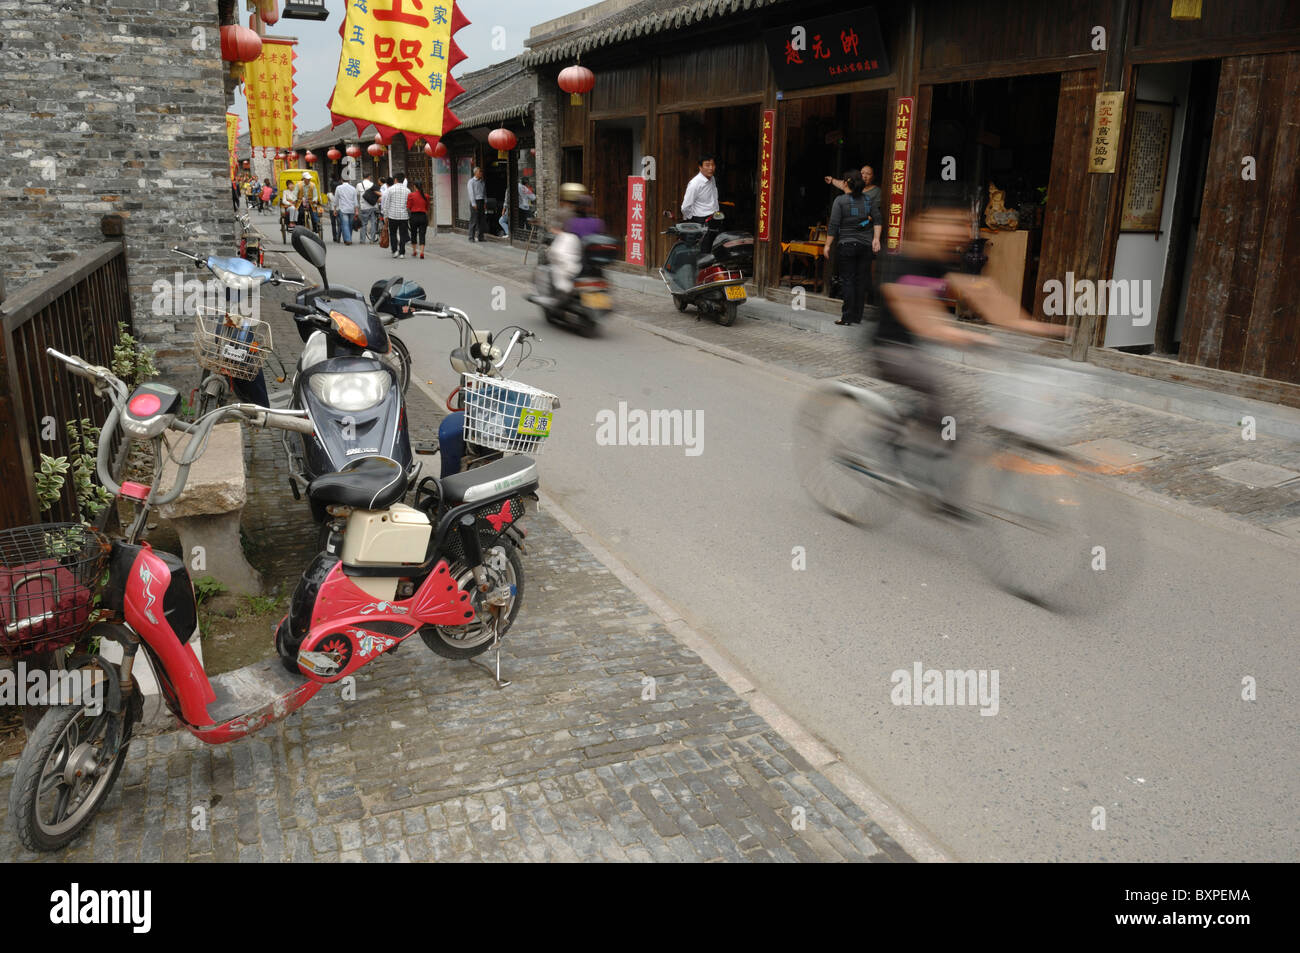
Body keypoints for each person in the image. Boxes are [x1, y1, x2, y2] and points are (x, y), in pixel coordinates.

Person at [873, 192, 1067, 477]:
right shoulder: (902, 261)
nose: (956, 232)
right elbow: (913, 310)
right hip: (889, 349)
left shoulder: (942, 264)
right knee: (950, 414)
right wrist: (955, 334)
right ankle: (933, 481)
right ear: (923, 224)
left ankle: (915, 444)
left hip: (917, 350)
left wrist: (1035, 326)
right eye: (947, 223)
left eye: (959, 224)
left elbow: (986, 295)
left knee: (944, 408)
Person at [825, 170, 882, 326]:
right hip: (865, 246)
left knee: (848, 281)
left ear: (846, 183)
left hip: (847, 245)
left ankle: (847, 317)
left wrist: (827, 245)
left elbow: (834, 225)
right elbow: (877, 220)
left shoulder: (840, 201)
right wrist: (876, 239)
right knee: (860, 281)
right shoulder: (868, 200)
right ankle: (857, 317)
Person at [680, 154, 719, 225]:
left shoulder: (712, 179)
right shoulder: (695, 184)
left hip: (713, 217)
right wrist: (692, 220)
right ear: (700, 167)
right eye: (707, 165)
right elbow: (685, 207)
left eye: (713, 165)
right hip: (700, 220)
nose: (711, 168)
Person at [382, 173, 411, 258]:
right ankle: (402, 253)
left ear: (395, 180)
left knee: (393, 234)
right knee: (403, 234)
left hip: (392, 215)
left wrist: (385, 216)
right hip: (404, 216)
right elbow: (408, 205)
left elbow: (386, 204)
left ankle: (395, 251)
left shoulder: (390, 189)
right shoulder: (408, 190)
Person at [407, 183, 429, 259]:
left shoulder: (411, 195)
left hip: (414, 216)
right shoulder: (426, 196)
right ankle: (422, 252)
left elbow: (408, 206)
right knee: (422, 234)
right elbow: (427, 207)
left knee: (413, 234)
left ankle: (414, 251)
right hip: (423, 216)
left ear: (414, 186)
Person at [359, 176, 382, 244]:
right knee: (373, 223)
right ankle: (372, 240)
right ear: (369, 177)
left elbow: (357, 194)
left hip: (364, 207)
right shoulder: (373, 185)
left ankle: (362, 240)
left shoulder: (359, 185)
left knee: (363, 224)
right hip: (373, 206)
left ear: (363, 177)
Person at [335, 178, 357, 245]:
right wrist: (356, 210)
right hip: (351, 209)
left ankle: (348, 239)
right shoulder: (353, 188)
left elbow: (336, 199)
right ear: (349, 180)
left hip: (343, 209)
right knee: (350, 224)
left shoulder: (338, 188)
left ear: (342, 180)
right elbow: (355, 201)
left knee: (345, 225)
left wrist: (335, 209)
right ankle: (348, 238)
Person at [467, 166, 487, 242]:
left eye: (481, 172)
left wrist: (485, 202)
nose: (481, 173)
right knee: (474, 220)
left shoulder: (482, 181)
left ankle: (480, 237)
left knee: (482, 220)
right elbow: (471, 193)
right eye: (479, 172)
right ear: (475, 173)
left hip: (481, 201)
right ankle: (471, 237)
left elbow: (484, 193)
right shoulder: (471, 182)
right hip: (475, 202)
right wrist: (473, 203)